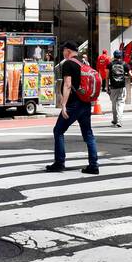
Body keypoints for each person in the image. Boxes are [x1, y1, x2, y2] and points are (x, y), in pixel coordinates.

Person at [46, 42, 98, 175]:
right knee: (88, 134)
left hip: (73, 104)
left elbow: (68, 85)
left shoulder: (68, 63)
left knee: (58, 131)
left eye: (63, 50)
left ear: (68, 51)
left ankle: (59, 162)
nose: (63, 53)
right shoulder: (84, 62)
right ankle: (93, 165)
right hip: (85, 103)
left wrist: (63, 105)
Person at [107, 53, 127, 127]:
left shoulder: (110, 64)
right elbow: (131, 74)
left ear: (114, 56)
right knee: (121, 103)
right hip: (122, 86)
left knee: (113, 103)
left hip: (113, 86)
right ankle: (119, 120)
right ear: (120, 56)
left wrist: (106, 87)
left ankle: (115, 119)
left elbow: (107, 77)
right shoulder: (124, 64)